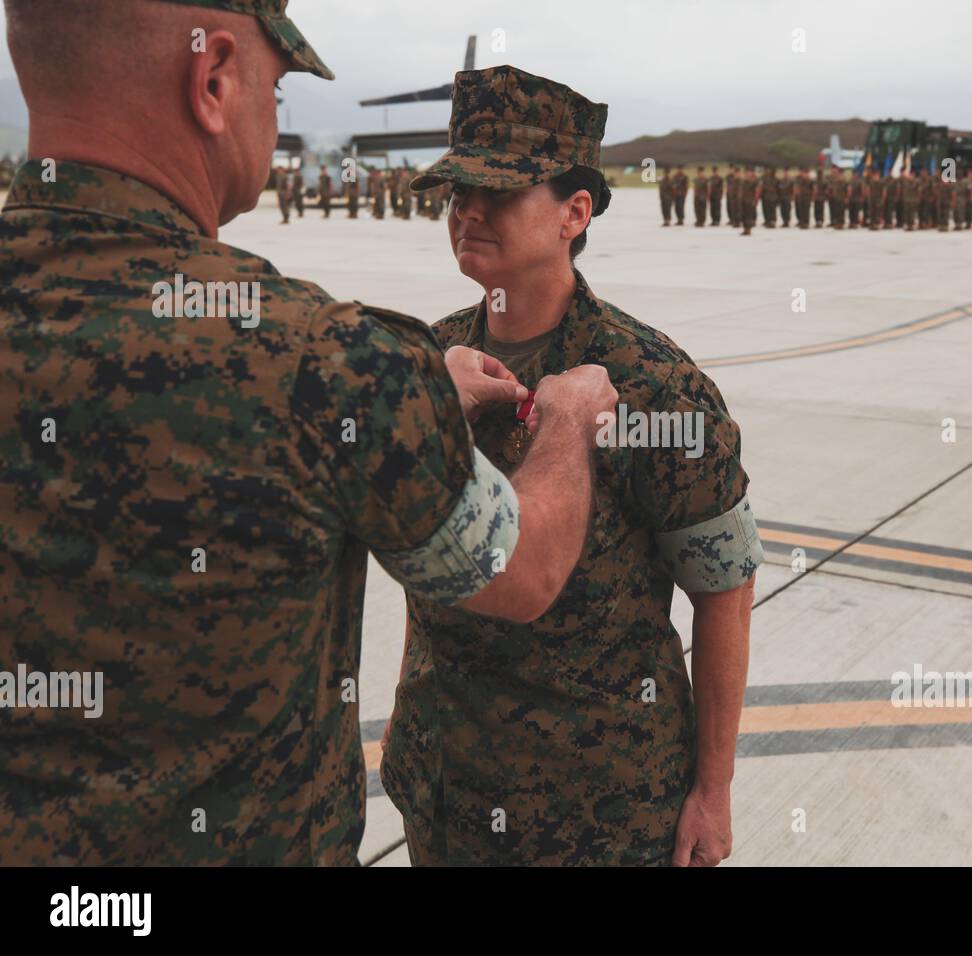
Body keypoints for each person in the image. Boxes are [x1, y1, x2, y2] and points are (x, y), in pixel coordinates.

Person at [0, 0, 616, 866]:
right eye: (277, 87)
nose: (276, 115)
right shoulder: (328, 364)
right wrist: (565, 420)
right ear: (211, 78)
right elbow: (524, 568)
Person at [395, 66, 762, 867]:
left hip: (592, 809)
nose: (469, 209)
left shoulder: (652, 385)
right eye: (458, 189)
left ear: (575, 212)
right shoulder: (429, 359)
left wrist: (714, 790)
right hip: (444, 785)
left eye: (500, 191)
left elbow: (725, 591)